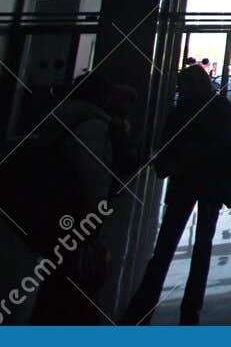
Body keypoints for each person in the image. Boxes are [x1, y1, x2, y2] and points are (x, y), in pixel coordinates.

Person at [5, 73, 139, 323]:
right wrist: (92, 223)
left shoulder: (63, 116)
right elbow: (94, 177)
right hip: (75, 214)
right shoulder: (94, 126)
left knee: (58, 277)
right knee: (74, 280)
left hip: (54, 207)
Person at [123, 64, 231, 325]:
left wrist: (173, 164)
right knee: (203, 243)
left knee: (166, 244)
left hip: (184, 182)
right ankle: (192, 303)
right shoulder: (219, 107)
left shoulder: (181, 111)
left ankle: (145, 299)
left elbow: (167, 145)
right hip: (212, 183)